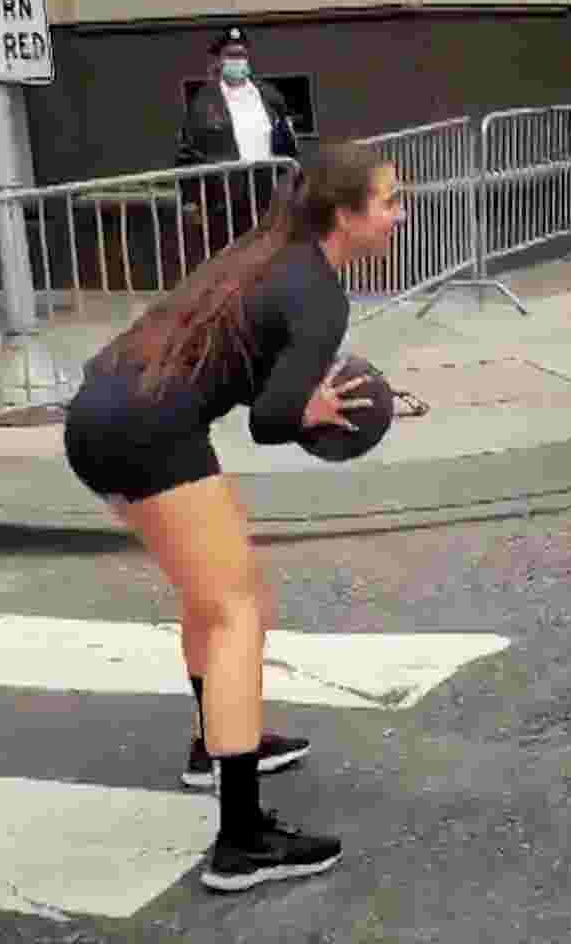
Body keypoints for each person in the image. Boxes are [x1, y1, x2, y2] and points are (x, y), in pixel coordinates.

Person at [64, 142, 403, 891]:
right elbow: (270, 421)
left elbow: (231, 362)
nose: (399, 214)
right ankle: (242, 840)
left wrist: (290, 395)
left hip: (95, 416)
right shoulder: (321, 296)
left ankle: (210, 744)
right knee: (238, 610)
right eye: (389, 202)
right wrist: (312, 408)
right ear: (345, 215)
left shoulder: (262, 252)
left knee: (208, 599)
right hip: (148, 431)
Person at [176, 26, 300, 265]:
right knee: (233, 260)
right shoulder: (203, 102)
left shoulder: (268, 95)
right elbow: (187, 153)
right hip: (226, 194)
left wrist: (294, 181)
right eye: (231, 55)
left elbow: (289, 141)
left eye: (241, 54)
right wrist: (190, 200)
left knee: (272, 253)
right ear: (219, 60)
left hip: (268, 188)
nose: (237, 60)